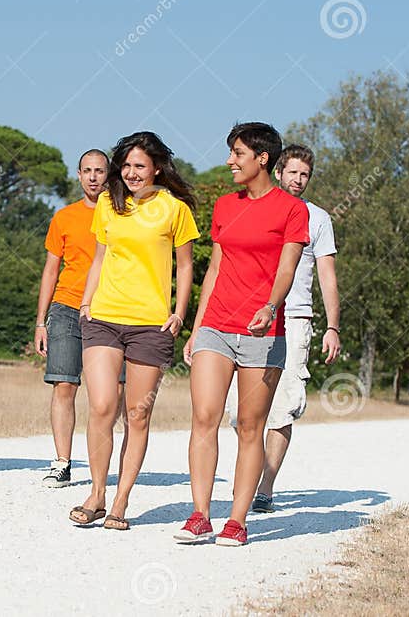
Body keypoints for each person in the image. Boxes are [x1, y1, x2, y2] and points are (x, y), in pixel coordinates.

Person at [176, 122, 308, 546]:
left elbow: (287, 268)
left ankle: (237, 519)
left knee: (250, 427)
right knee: (203, 417)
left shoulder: (292, 210)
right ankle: (199, 514)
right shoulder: (224, 207)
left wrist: (270, 305)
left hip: (263, 333)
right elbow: (213, 268)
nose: (230, 161)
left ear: (262, 158)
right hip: (216, 324)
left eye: (238, 153)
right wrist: (196, 329)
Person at [69, 131, 198, 530]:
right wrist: (87, 303)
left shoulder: (174, 209)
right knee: (102, 407)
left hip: (150, 324)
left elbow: (186, 265)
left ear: (156, 167)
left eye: (139, 166)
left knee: (137, 416)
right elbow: (99, 258)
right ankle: (97, 493)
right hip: (105, 317)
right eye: (125, 165)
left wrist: (179, 313)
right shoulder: (108, 203)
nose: (130, 173)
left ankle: (122, 499)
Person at [223, 144, 341, 513]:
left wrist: (332, 326)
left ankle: (265, 488)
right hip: (251, 314)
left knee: (284, 406)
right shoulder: (254, 208)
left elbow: (327, 274)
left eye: (305, 175)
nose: (299, 180)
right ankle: (247, 474)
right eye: (293, 172)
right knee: (241, 410)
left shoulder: (317, 219)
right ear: (277, 171)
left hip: (295, 320)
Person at [34, 149, 126, 488]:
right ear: (78, 174)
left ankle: (101, 458)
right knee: (64, 385)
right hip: (67, 307)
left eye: (99, 171)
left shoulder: (122, 214)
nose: (92, 177)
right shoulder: (64, 217)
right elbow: (50, 270)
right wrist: (41, 321)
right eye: (86, 171)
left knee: (114, 393)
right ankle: (62, 461)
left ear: (108, 174)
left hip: (111, 309)